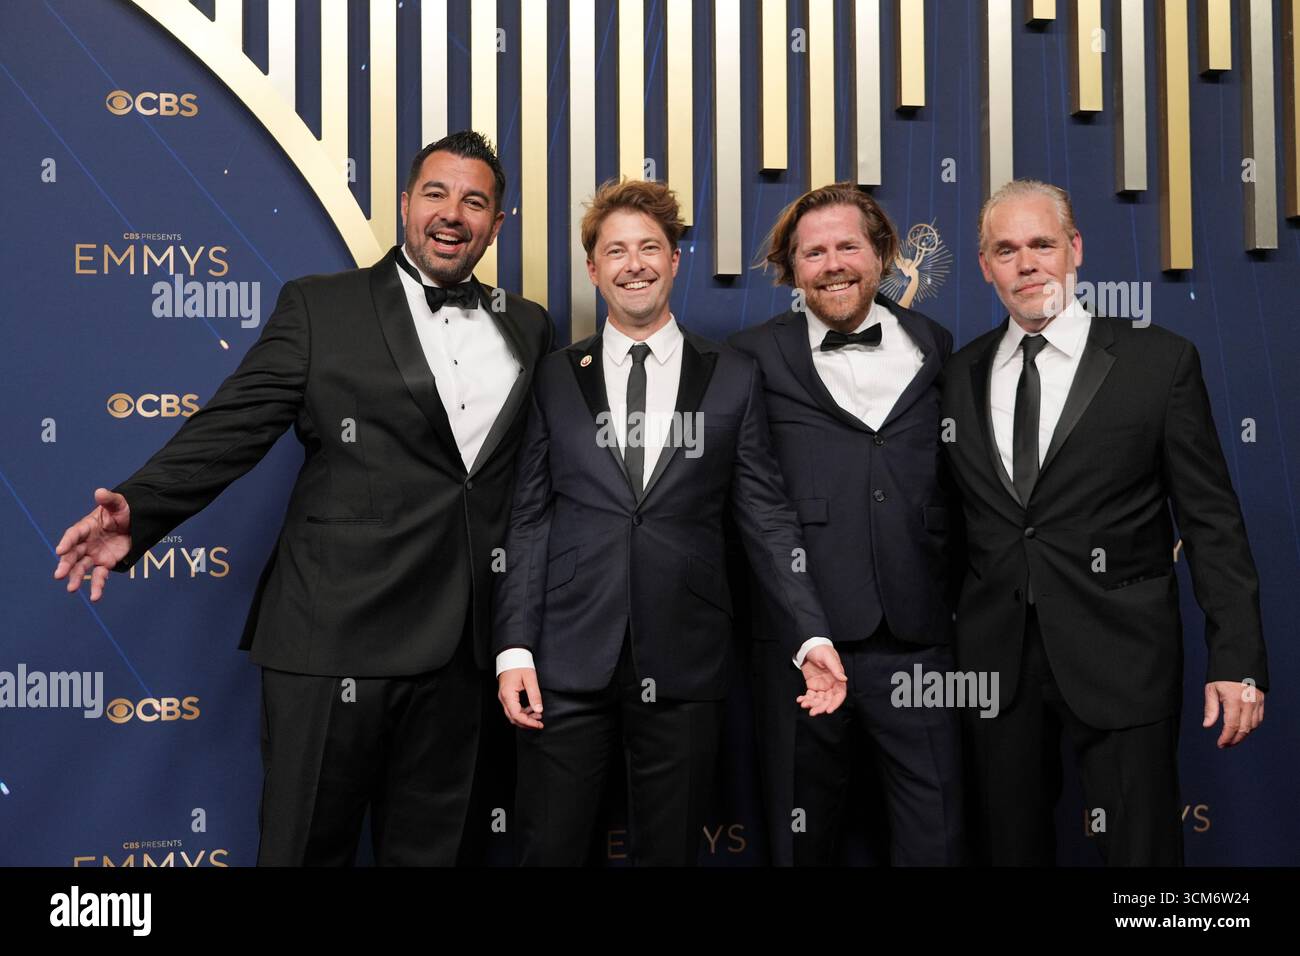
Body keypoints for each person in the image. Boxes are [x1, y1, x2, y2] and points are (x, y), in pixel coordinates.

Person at [52, 131, 554, 866]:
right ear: (406, 204)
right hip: (333, 637)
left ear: (497, 225)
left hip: (462, 652)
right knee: (303, 852)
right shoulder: (322, 307)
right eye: (437, 194)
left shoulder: (528, 324)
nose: (454, 214)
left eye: (475, 201)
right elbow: (235, 424)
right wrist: (144, 506)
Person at [491, 178, 844, 865]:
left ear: (675, 259)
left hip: (686, 655)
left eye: (650, 247)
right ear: (593, 268)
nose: (635, 264)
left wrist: (810, 637)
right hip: (566, 657)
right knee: (549, 848)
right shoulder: (556, 376)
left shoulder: (733, 376)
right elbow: (529, 519)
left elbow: (766, 517)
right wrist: (514, 649)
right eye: (616, 250)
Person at [942, 178, 1268, 866]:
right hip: (994, 666)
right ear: (985, 266)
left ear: (1075, 250)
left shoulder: (1158, 361)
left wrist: (1236, 660)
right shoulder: (957, 374)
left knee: (1140, 857)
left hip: (1124, 656)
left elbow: (1210, 520)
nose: (1026, 263)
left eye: (1041, 244)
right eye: (1006, 249)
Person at [729, 183, 964, 866]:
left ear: (883, 253)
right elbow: (751, 500)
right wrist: (802, 633)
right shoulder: (751, 356)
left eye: (847, 246)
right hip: (802, 646)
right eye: (813, 252)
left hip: (919, 641)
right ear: (791, 267)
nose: (832, 264)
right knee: (802, 842)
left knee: (938, 840)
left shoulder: (934, 343)